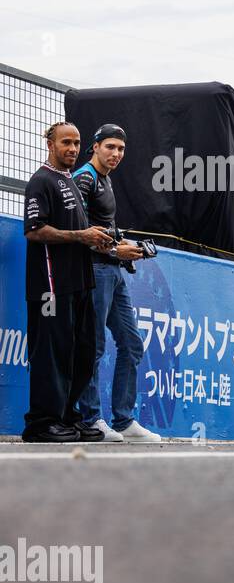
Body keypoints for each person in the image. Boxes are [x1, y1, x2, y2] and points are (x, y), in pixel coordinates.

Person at [21, 122, 115, 443]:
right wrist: (80, 234)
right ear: (49, 143)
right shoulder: (41, 181)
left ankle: (67, 416)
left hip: (79, 283)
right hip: (51, 285)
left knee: (83, 352)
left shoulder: (69, 181)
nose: (72, 149)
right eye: (65, 142)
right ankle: (42, 422)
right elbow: (34, 230)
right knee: (52, 354)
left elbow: (80, 232)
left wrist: (98, 241)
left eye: (76, 143)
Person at [72, 124, 161, 443]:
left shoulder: (105, 180)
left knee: (132, 343)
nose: (116, 153)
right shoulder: (84, 177)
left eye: (121, 149)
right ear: (95, 146)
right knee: (93, 347)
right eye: (110, 146)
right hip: (94, 270)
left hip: (114, 271)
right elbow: (77, 230)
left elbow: (104, 227)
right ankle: (91, 419)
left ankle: (123, 420)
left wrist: (127, 247)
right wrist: (113, 249)